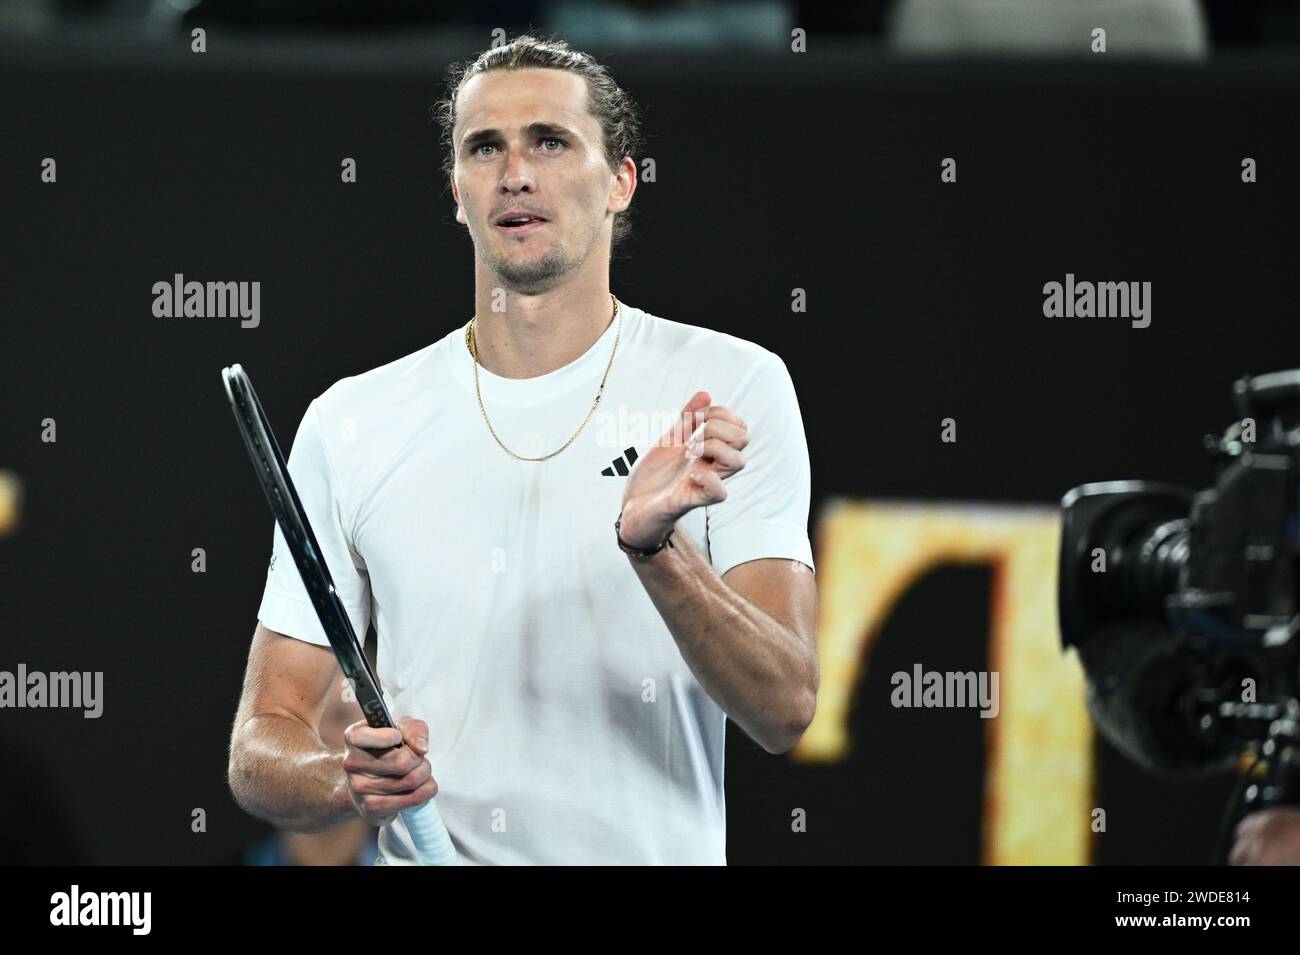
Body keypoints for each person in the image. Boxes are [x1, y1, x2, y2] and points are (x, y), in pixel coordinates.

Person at [226, 33, 818, 865]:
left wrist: (656, 551)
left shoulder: (732, 385)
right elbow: (259, 745)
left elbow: (784, 705)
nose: (516, 173)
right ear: (457, 192)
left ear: (620, 182)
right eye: (484, 148)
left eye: (549, 141)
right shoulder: (350, 421)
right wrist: (342, 779)